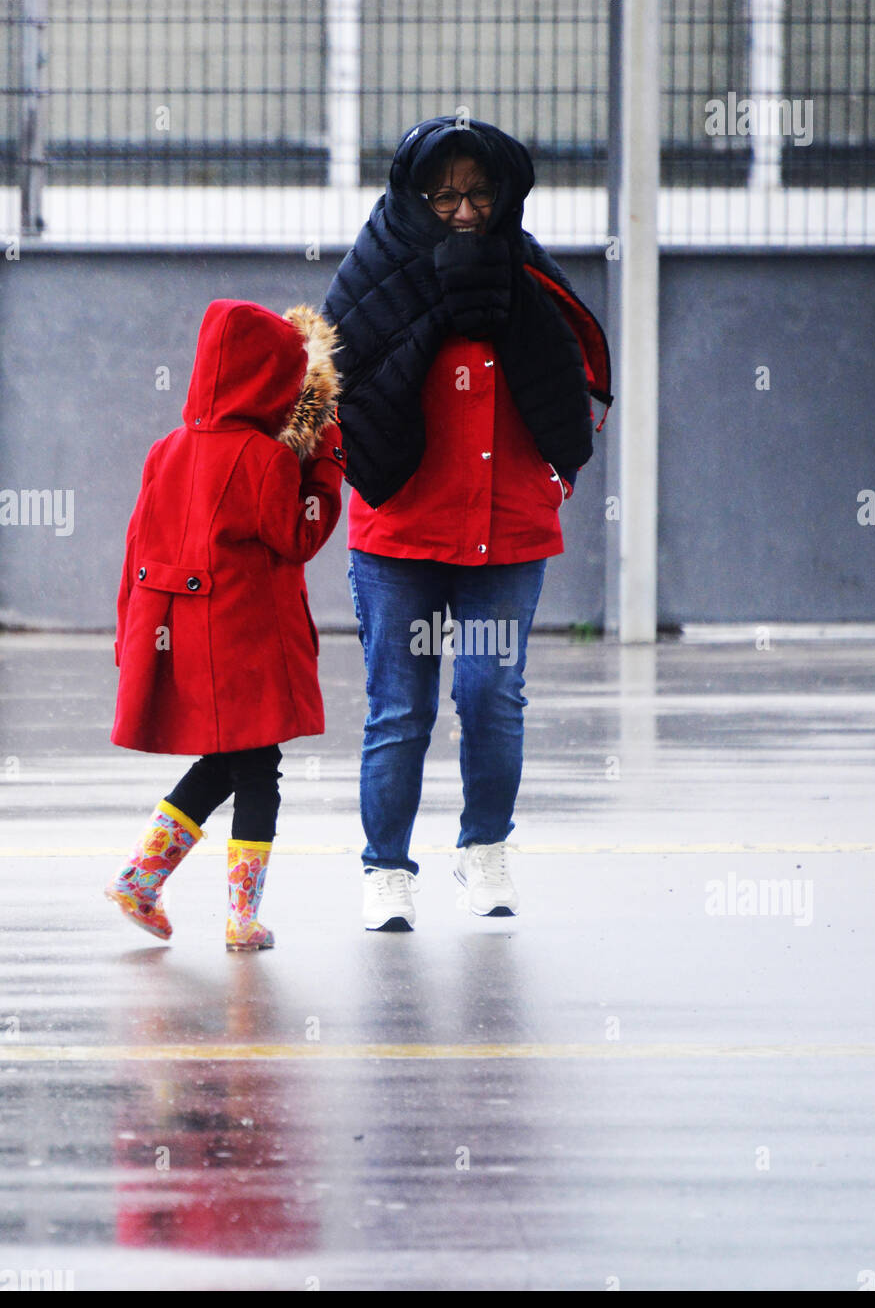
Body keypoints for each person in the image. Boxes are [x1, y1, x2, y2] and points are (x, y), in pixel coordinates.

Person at [323, 116, 612, 932]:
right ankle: (385, 870)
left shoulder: (529, 276)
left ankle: (483, 849)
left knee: (490, 697)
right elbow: (329, 385)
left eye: (478, 193)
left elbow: (576, 383)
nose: (461, 209)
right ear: (414, 195)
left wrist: (557, 476)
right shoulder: (374, 275)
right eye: (443, 193)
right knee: (399, 709)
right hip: (399, 536)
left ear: (505, 194)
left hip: (504, 533)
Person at [106, 298, 344, 950]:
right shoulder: (264, 458)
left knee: (230, 759)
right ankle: (239, 916)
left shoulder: (167, 449)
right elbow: (299, 536)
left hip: (178, 634)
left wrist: (130, 632)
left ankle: (141, 878)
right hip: (239, 639)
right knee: (257, 765)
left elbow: (135, 544)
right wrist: (325, 468)